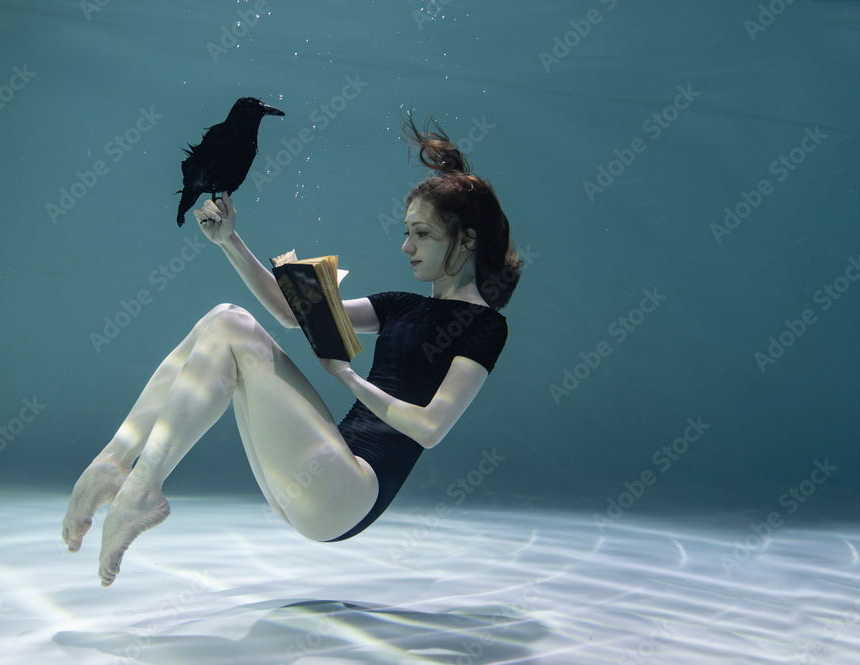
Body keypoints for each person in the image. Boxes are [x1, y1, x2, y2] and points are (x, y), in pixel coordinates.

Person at [61, 115, 523, 586]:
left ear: (466, 240)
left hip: (349, 495)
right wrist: (229, 242)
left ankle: (138, 486)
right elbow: (290, 311)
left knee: (230, 323)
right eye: (406, 232)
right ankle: (116, 464)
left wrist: (346, 377)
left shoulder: (486, 327)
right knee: (221, 323)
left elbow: (430, 428)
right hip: (313, 482)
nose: (406, 245)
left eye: (422, 234)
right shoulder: (401, 306)